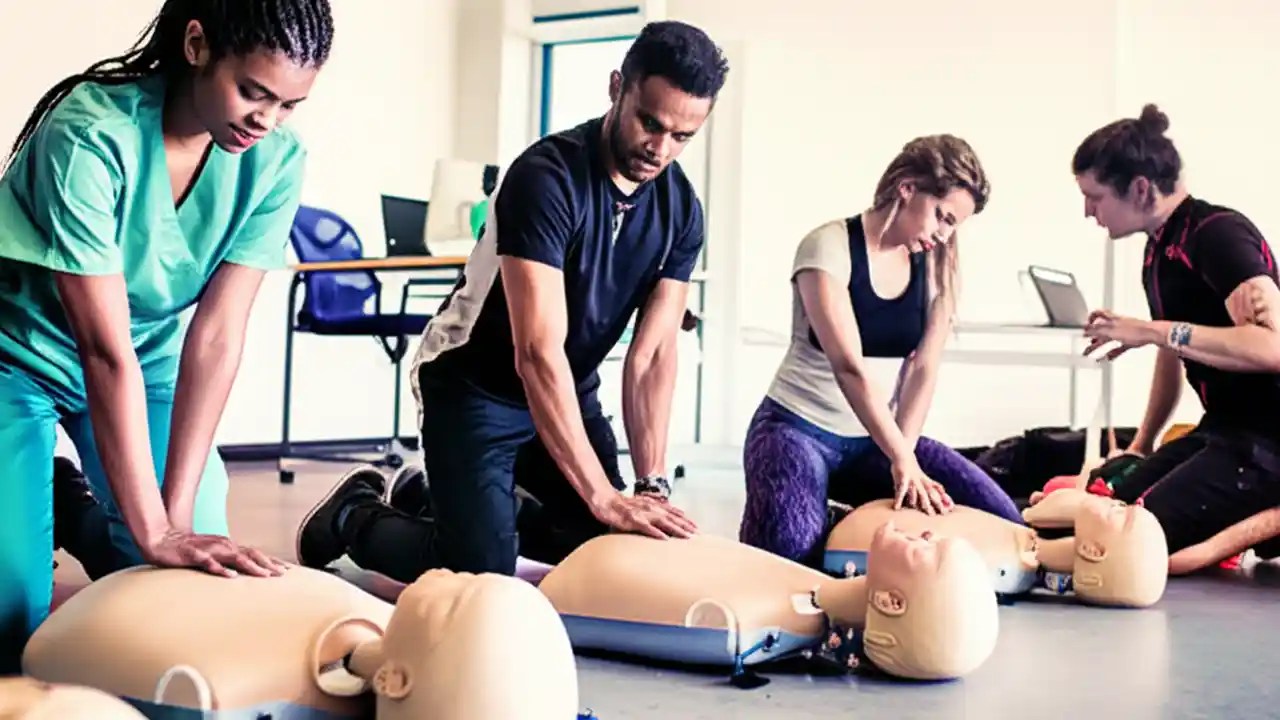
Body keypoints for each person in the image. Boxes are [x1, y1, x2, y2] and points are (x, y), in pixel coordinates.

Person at [295, 21, 728, 582]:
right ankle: (354, 513)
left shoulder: (682, 210)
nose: (661, 148)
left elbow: (651, 357)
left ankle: (437, 498)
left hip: (569, 388)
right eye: (651, 122)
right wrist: (601, 494)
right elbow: (537, 351)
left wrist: (649, 485)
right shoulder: (546, 177)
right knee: (480, 570)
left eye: (683, 136)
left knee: (607, 544)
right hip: (475, 384)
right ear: (618, 86)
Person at [0, 0, 333, 672]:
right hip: (16, 355)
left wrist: (174, 520)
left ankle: (75, 509)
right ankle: (57, 500)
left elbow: (216, 333)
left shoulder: (275, 161)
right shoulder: (90, 133)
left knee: (191, 567)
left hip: (146, 355)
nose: (265, 120)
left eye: (289, 104)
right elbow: (102, 351)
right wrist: (153, 528)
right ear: (196, 44)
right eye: (253, 91)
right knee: (10, 613)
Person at [738, 135, 1024, 567]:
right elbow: (848, 366)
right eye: (941, 217)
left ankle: (839, 517)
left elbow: (923, 368)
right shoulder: (827, 246)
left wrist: (902, 457)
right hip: (795, 431)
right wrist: (902, 458)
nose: (944, 235)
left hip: (879, 442)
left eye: (954, 226)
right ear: (907, 188)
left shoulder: (935, 266)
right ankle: (827, 520)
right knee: (790, 556)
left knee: (1007, 522)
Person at [1072, 103, 1280, 571]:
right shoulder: (1159, 250)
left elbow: (1273, 348)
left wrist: (1151, 331)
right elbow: (1172, 352)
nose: (1088, 211)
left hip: (1268, 442)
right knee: (1100, 514)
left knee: (1128, 545)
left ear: (1140, 188)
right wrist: (1142, 444)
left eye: (1095, 196)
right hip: (1225, 431)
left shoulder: (1216, 235)